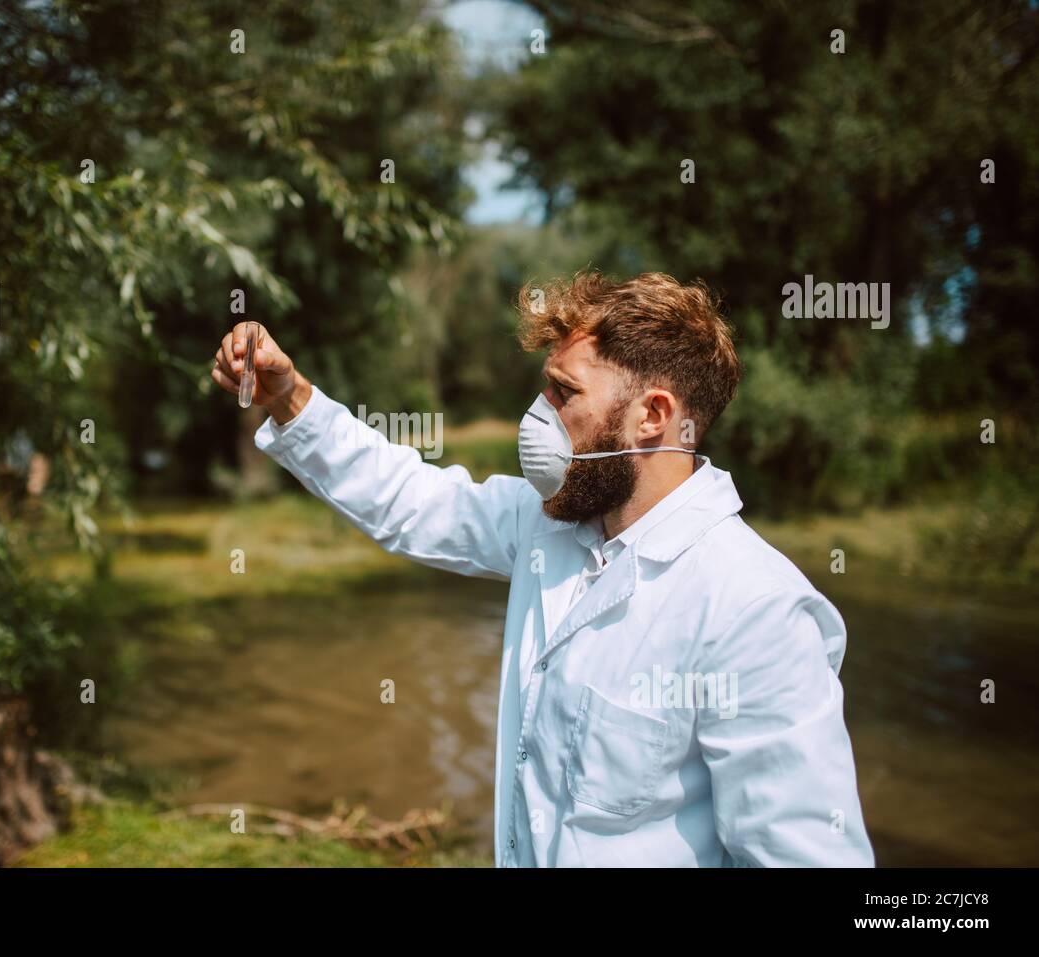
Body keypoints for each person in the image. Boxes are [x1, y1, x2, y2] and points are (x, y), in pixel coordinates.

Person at [210, 270, 875, 867]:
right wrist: (290, 398)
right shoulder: (551, 523)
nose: (539, 418)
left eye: (564, 394)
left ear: (653, 415)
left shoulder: (755, 608)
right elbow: (412, 500)